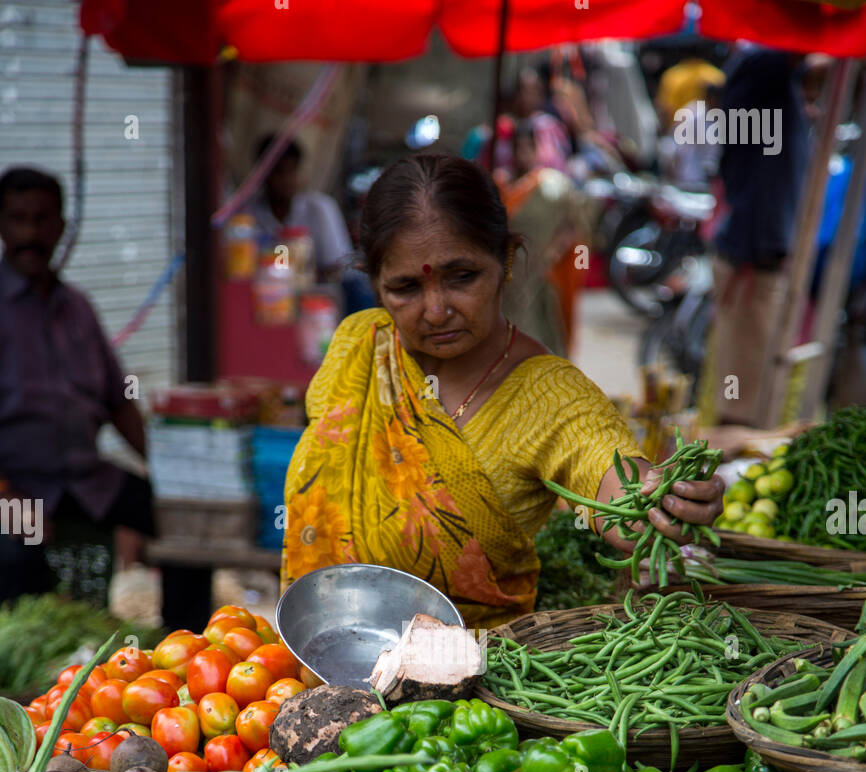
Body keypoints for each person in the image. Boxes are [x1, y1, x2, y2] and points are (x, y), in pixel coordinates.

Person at [279, 154, 723, 628]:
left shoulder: (550, 396)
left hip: (463, 689)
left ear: (507, 260)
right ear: (373, 283)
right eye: (405, 288)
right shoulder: (359, 347)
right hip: (321, 660)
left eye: (463, 277)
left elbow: (616, 484)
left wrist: (663, 502)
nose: (435, 310)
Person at [0, 166, 211, 628]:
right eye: (18, 219)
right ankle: (32, 681)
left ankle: (182, 647)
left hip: (86, 478)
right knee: (20, 556)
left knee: (188, 527)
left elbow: (118, 402)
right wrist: (6, 495)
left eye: (42, 220)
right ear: (2, 224)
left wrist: (166, 470)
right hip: (15, 484)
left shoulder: (77, 307)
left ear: (60, 226)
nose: (31, 233)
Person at [710, 50, 809, 425]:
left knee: (751, 384)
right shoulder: (763, 66)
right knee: (740, 396)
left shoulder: (763, 81)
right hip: (750, 261)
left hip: (753, 256)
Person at [494, 122, 587, 357]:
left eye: (528, 147)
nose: (523, 153)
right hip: (508, 278)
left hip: (544, 276)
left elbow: (575, 228)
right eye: (518, 147)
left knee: (543, 338)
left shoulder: (553, 186)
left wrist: (552, 255)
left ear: (537, 149)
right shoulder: (499, 185)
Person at [249, 135, 353, 282]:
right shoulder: (248, 214)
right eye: (279, 172)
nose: (286, 180)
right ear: (263, 175)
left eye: (291, 171)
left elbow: (339, 266)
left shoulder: (320, 208)